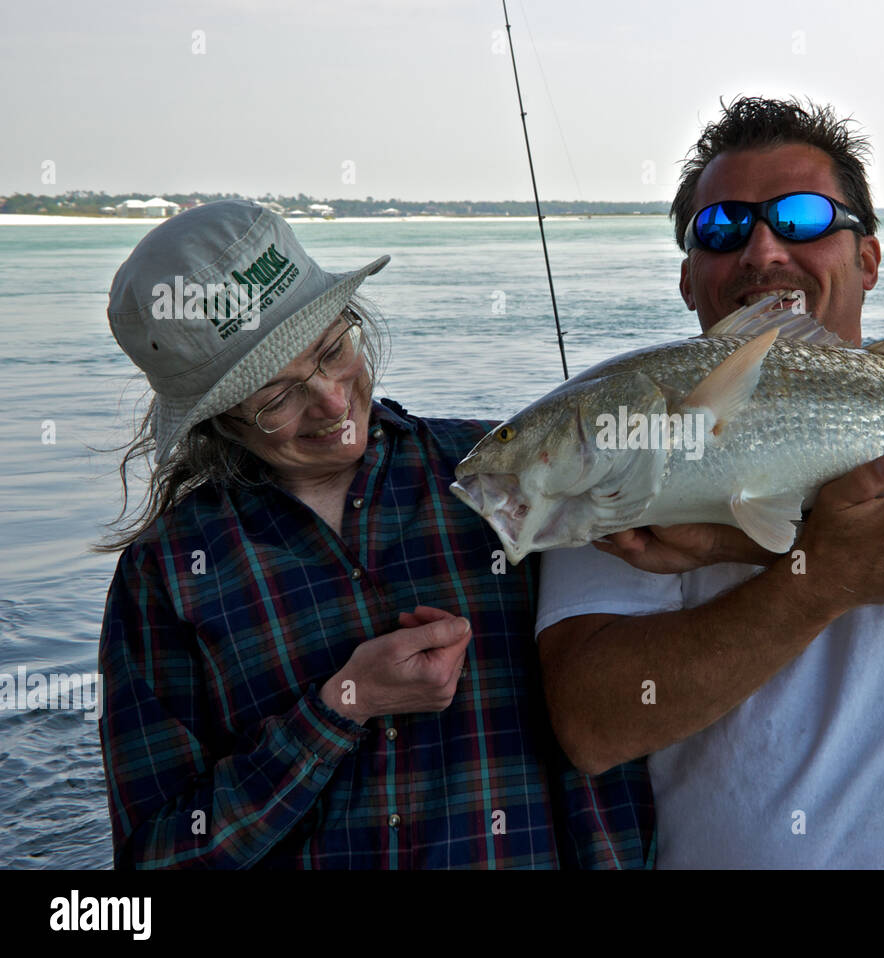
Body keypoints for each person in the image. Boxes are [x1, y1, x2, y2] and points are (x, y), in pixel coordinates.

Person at [535, 97, 884, 868]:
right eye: (722, 228)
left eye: (801, 217)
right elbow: (593, 726)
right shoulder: (626, 433)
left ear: (867, 259)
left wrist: (732, 549)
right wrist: (816, 580)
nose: (762, 252)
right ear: (690, 280)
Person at [95, 199, 652, 868]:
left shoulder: (507, 472)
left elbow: (604, 759)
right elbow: (157, 856)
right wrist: (337, 710)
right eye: (276, 396)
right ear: (218, 420)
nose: (332, 400)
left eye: (335, 349)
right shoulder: (167, 576)